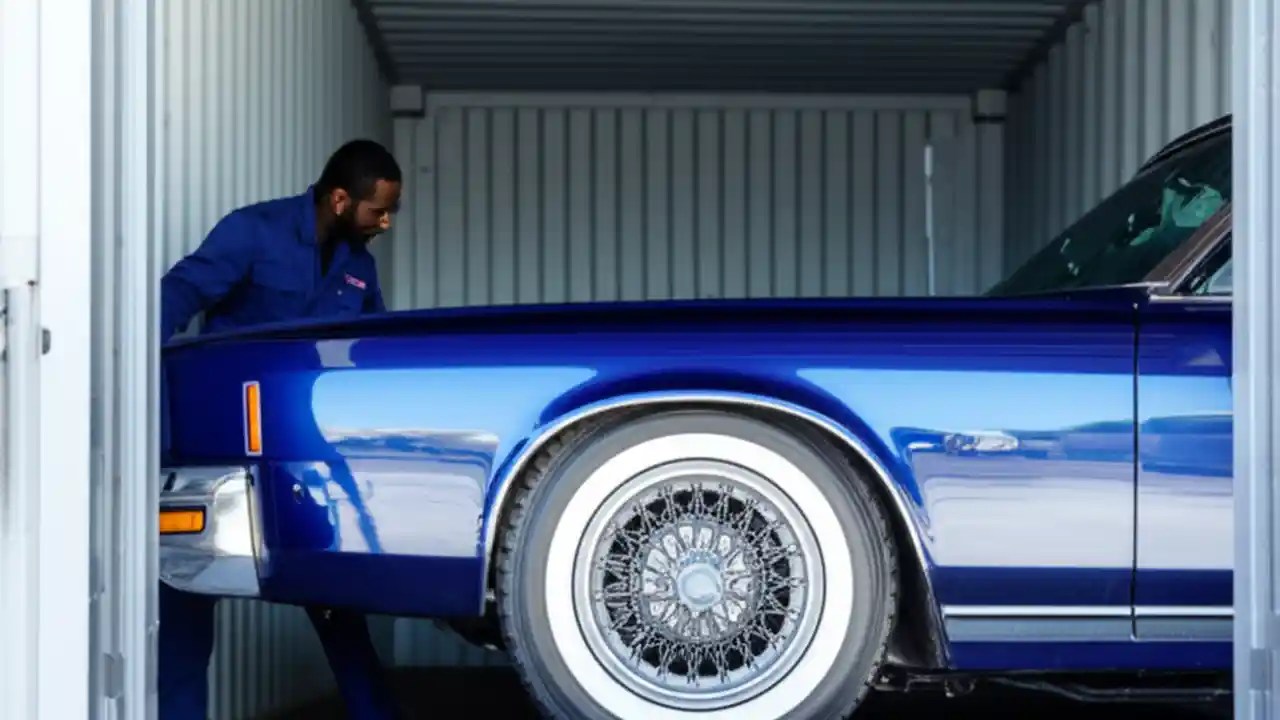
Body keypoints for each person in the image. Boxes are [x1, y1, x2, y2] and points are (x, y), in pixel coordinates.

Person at [157, 139, 403, 719]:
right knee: (186, 604)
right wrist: (145, 392)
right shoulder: (252, 231)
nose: (386, 223)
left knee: (339, 600)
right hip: (219, 449)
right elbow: (176, 296)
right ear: (340, 200)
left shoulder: (359, 268)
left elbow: (373, 353)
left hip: (305, 457)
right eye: (379, 210)